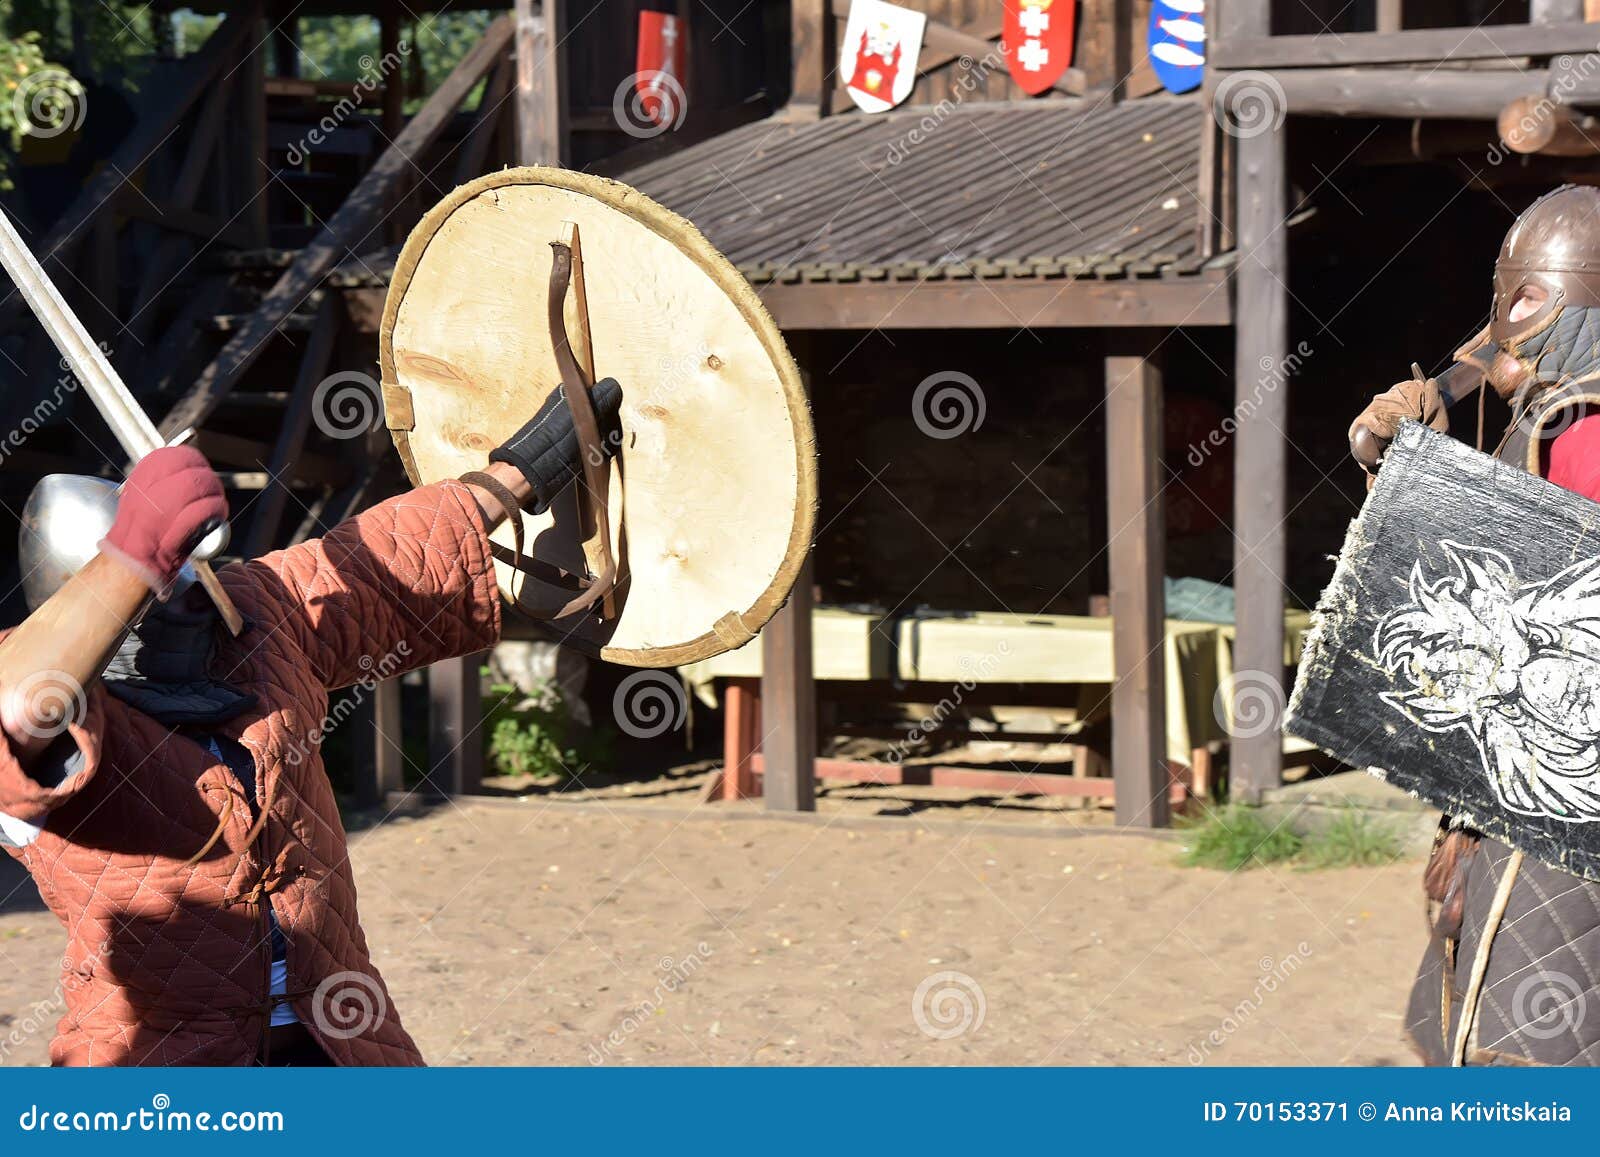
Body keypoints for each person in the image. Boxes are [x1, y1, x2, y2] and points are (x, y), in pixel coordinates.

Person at [0, 380, 621, 1066]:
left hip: (341, 1030)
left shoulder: (248, 618)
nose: (180, 600)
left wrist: (518, 473)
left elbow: (377, 560)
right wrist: (131, 556)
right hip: (160, 1061)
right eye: (157, 582)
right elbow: (20, 708)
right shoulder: (44, 696)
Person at [1350, 184, 1600, 1065]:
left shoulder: (1588, 432)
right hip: (1525, 776)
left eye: (1530, 299)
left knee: (1539, 1041)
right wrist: (1405, 458)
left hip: (1573, 790)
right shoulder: (1548, 421)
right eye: (1505, 296)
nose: (1507, 321)